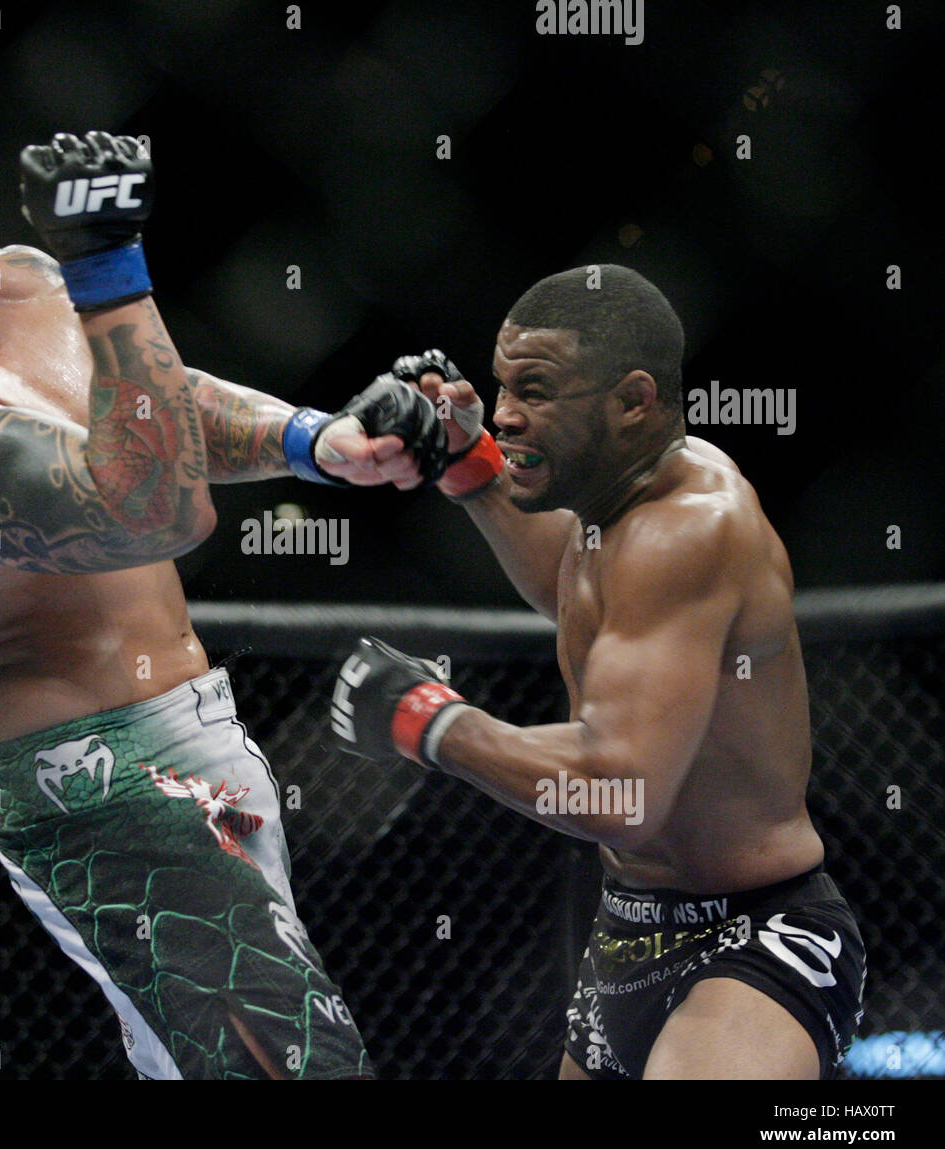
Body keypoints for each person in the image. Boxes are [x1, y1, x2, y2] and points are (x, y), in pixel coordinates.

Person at [0, 84, 445, 1079]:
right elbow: (150, 509)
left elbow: (151, 406)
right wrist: (113, 273)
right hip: (104, 792)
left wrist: (316, 440)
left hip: (199, 731)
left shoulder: (29, 285)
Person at [329, 265, 865, 1080]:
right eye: (502, 385)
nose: (504, 413)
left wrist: (428, 720)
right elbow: (564, 589)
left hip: (756, 941)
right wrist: (468, 468)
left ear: (633, 399)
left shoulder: (690, 528)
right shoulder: (615, 504)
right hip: (624, 936)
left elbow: (622, 792)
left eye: (535, 391)